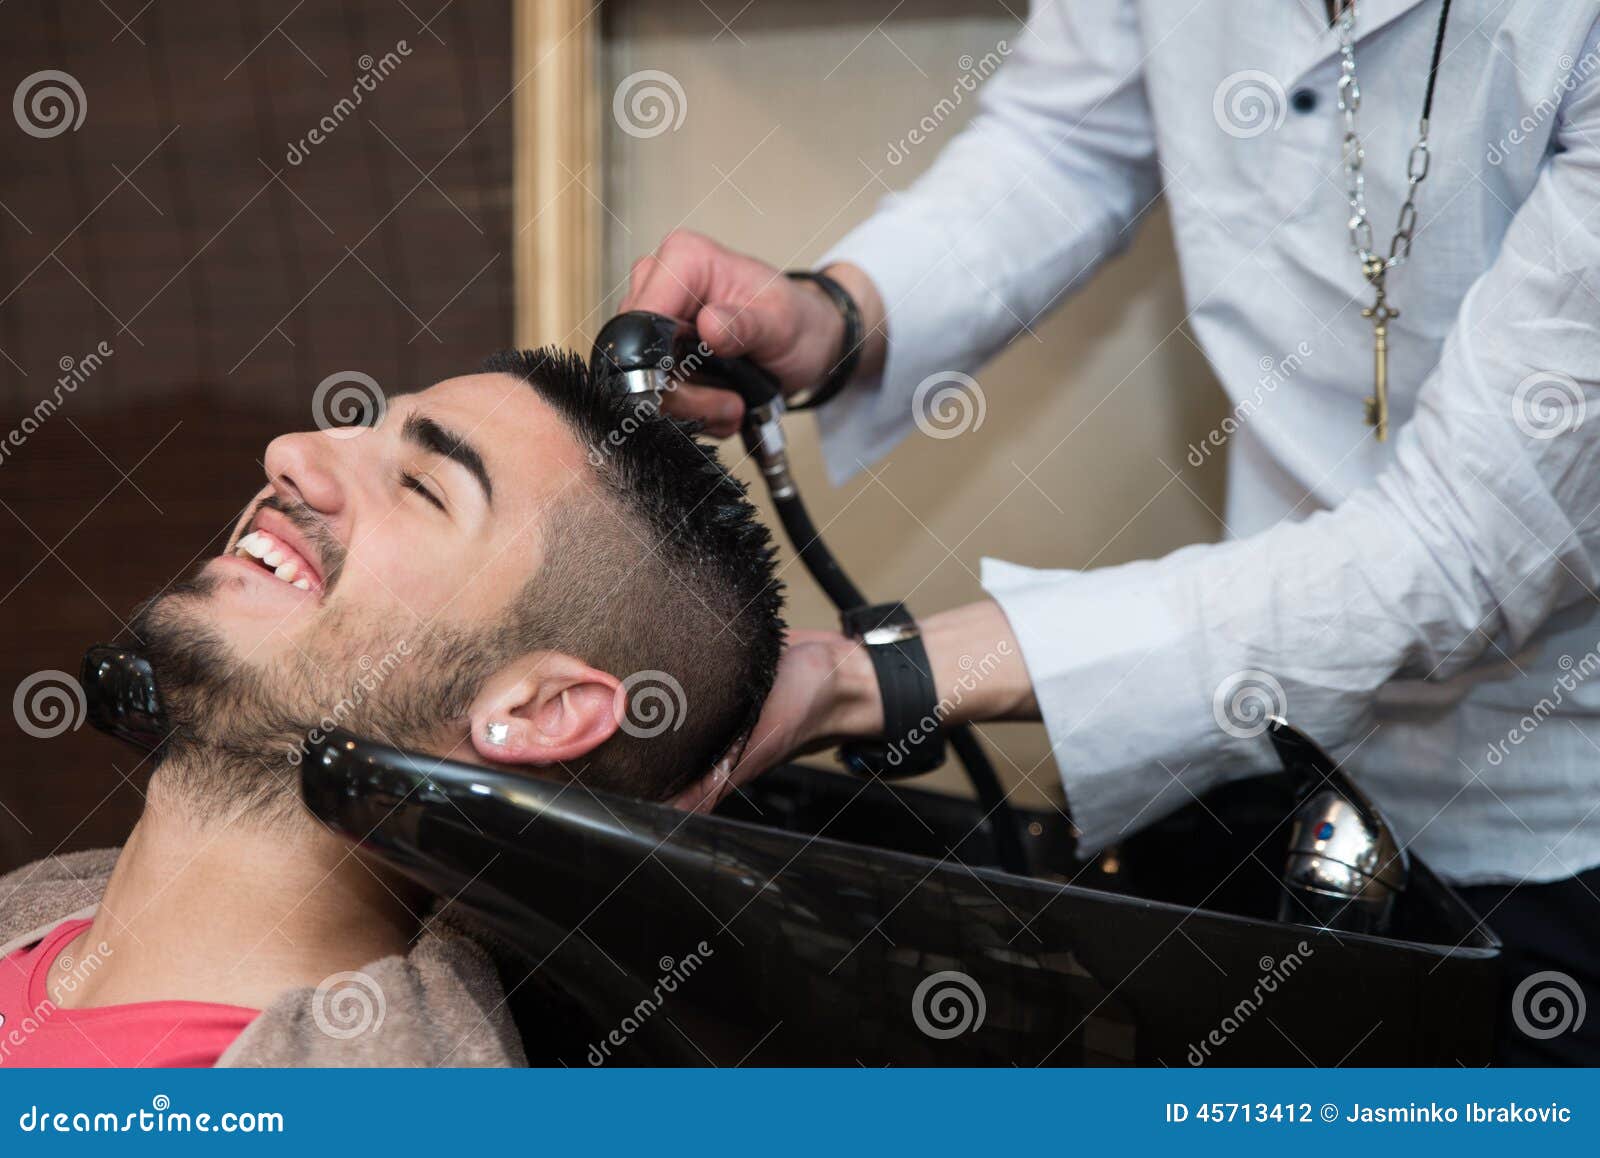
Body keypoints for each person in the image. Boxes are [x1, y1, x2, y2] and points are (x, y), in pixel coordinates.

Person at [625, 1, 1600, 1064]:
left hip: (1553, 809)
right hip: (1272, 754)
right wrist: (835, 317)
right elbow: (1068, 138)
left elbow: (1453, 548)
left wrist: (885, 677)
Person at [0, 348, 784, 1067]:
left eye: (421, 486)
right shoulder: (30, 917)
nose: (291, 454)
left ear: (541, 710)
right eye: (362, 429)